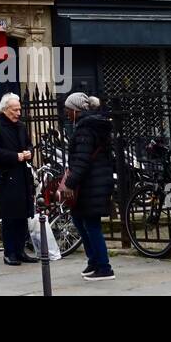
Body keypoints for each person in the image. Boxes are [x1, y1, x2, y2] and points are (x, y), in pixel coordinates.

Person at [62, 92, 116, 280]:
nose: (66, 113)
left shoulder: (85, 129)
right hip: (94, 182)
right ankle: (94, 260)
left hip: (91, 184)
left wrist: (69, 183)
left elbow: (82, 160)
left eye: (68, 110)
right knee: (78, 220)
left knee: (92, 225)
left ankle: (104, 267)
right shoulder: (89, 126)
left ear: (76, 110)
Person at [0, 92, 35, 266]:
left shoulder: (21, 126)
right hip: (6, 176)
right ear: (6, 110)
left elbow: (28, 143)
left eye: (19, 109)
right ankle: (9, 252)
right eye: (15, 110)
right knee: (10, 217)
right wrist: (16, 156)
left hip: (22, 175)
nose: (18, 113)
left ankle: (21, 251)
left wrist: (29, 152)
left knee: (23, 215)